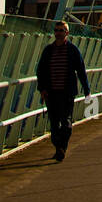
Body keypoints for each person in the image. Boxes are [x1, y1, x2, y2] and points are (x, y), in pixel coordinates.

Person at [36, 20, 90, 161]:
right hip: (51, 93)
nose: (58, 33)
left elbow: (81, 70)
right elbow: (41, 71)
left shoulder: (72, 50)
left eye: (61, 30)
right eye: (56, 30)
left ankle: (62, 147)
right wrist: (42, 89)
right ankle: (58, 147)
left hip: (67, 92)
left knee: (66, 122)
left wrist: (87, 90)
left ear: (67, 33)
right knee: (54, 123)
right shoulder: (48, 50)